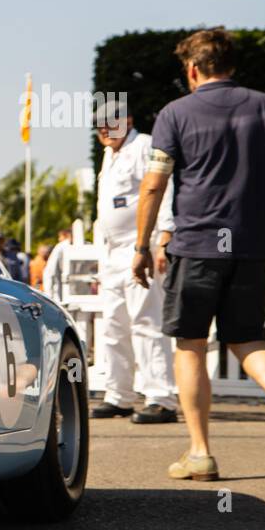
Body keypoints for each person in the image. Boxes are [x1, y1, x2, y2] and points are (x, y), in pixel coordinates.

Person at [133, 28, 265, 480]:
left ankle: (199, 452)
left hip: (196, 246)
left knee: (191, 344)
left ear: (193, 69)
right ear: (232, 64)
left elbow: (155, 183)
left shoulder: (176, 113)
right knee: (249, 340)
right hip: (252, 246)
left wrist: (141, 246)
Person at [90, 98, 178, 423]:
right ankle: (119, 395)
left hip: (140, 245)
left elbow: (161, 189)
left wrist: (164, 235)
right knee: (114, 325)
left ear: (126, 120)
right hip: (112, 251)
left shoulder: (144, 145)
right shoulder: (108, 154)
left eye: (109, 122)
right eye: (99, 124)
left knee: (146, 321)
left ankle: (161, 398)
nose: (103, 129)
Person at [43, 227, 73, 299]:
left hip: (62, 294)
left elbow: (49, 272)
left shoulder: (61, 247)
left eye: (60, 236)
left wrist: (49, 296)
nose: (59, 239)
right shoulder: (87, 245)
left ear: (68, 235)